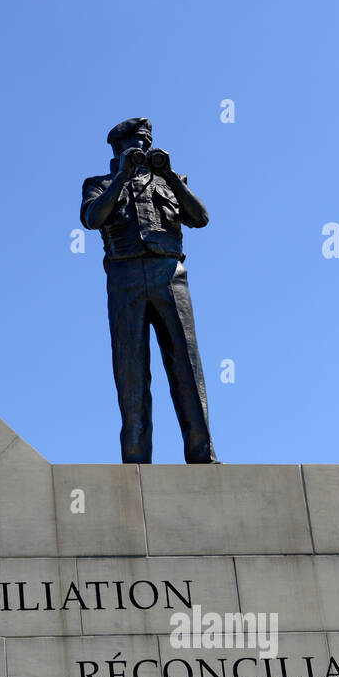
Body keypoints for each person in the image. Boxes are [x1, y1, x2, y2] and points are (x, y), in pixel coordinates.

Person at [80, 117, 218, 464]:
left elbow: (200, 218)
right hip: (124, 276)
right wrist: (122, 178)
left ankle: (203, 454)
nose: (145, 147)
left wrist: (170, 176)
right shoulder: (98, 184)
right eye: (139, 141)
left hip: (169, 273)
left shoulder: (171, 181)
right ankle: (136, 461)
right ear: (119, 146)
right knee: (131, 371)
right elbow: (93, 219)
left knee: (186, 365)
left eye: (148, 141)